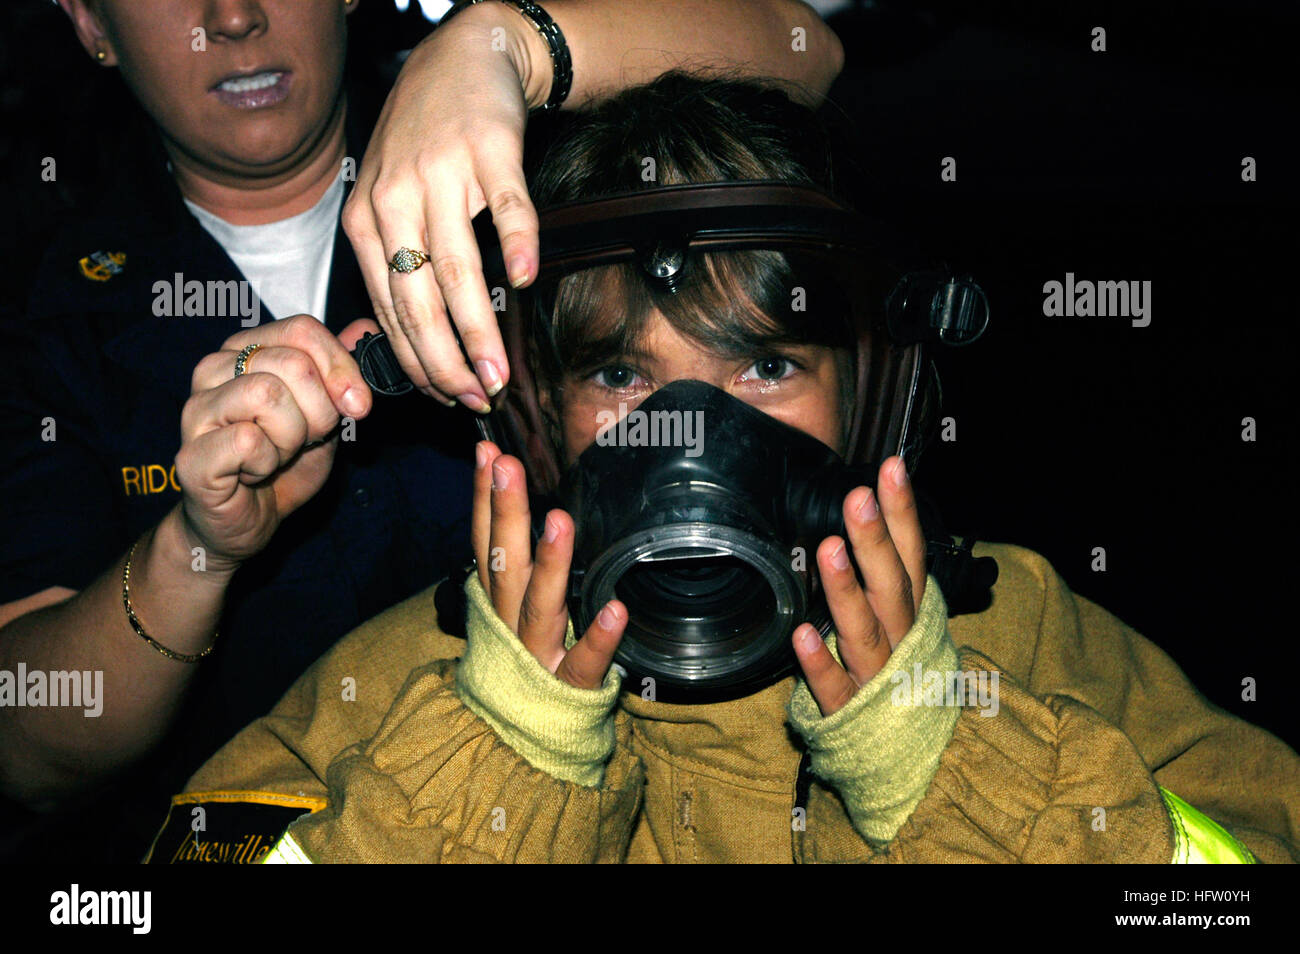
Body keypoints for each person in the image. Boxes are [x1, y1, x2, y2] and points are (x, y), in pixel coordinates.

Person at [145, 73, 1300, 864]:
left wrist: (960, 772)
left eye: (759, 369)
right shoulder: (410, 682)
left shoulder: (1021, 637)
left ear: (868, 398)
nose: (687, 440)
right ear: (534, 411)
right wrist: (484, 772)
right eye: (619, 381)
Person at [0, 0, 845, 861]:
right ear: (86, 19)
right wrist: (198, 547)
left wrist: (506, 46)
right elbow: (26, 751)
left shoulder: (518, 148)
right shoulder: (40, 306)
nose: (233, 15)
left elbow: (806, 49)